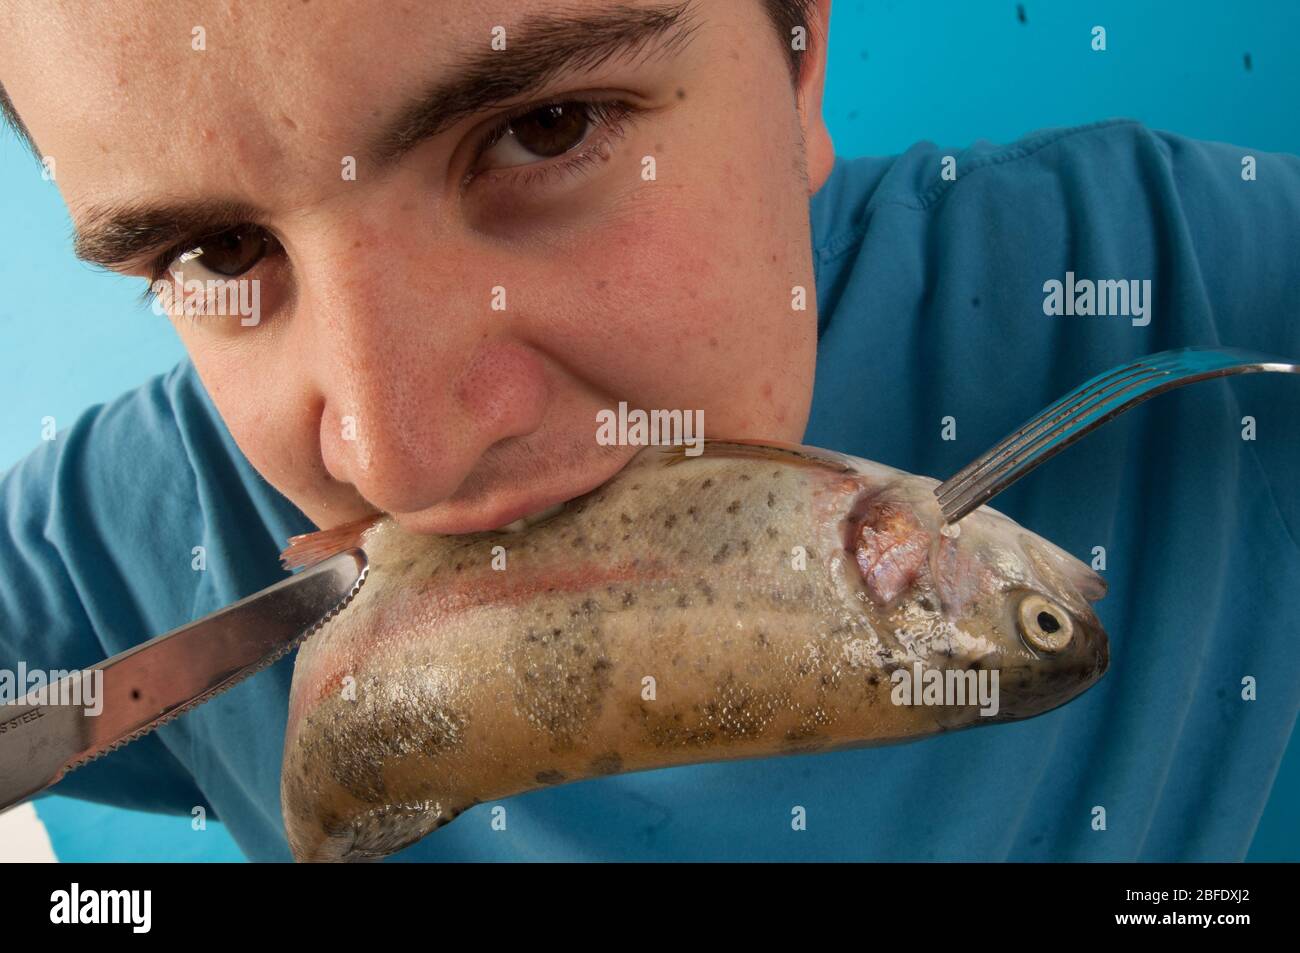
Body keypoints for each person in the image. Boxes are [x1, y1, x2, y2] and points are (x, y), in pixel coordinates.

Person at [1, 0, 1296, 862]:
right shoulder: (123, 543)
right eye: (217, 252)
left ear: (798, 53)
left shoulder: (1170, 269)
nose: (402, 459)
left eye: (543, 128)